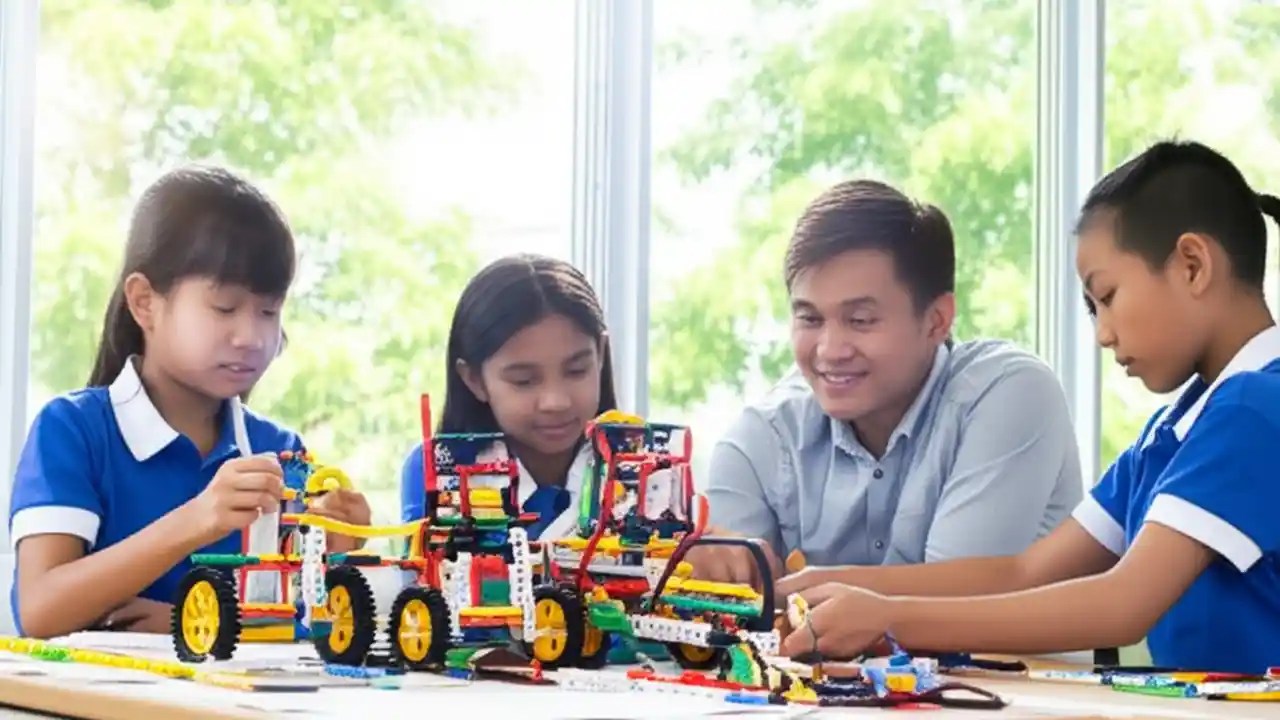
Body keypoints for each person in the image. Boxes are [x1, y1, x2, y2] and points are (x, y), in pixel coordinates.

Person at [776, 140, 1280, 674]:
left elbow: (1123, 605)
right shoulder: (1174, 431)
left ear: (1193, 266)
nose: (1103, 334)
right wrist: (832, 586)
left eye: (1106, 297)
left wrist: (890, 618)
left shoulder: (1256, 408)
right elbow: (1027, 571)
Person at [8, 166, 371, 639]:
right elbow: (39, 611)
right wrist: (199, 518)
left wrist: (344, 550)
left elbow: (311, 623)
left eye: (269, 311)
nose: (251, 336)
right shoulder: (73, 430)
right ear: (144, 303)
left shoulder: (278, 450)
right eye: (224, 307)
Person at [691, 180, 1083, 586]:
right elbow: (729, 604)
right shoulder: (762, 438)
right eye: (810, 318)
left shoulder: (1009, 394)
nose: (830, 350)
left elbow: (957, 599)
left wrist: (798, 591)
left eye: (860, 320)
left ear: (936, 320)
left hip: (1008, 654)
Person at [399, 254, 618, 540]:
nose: (556, 401)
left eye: (576, 370)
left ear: (600, 355)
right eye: (524, 381)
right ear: (474, 379)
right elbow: (425, 578)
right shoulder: (439, 470)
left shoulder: (646, 468)